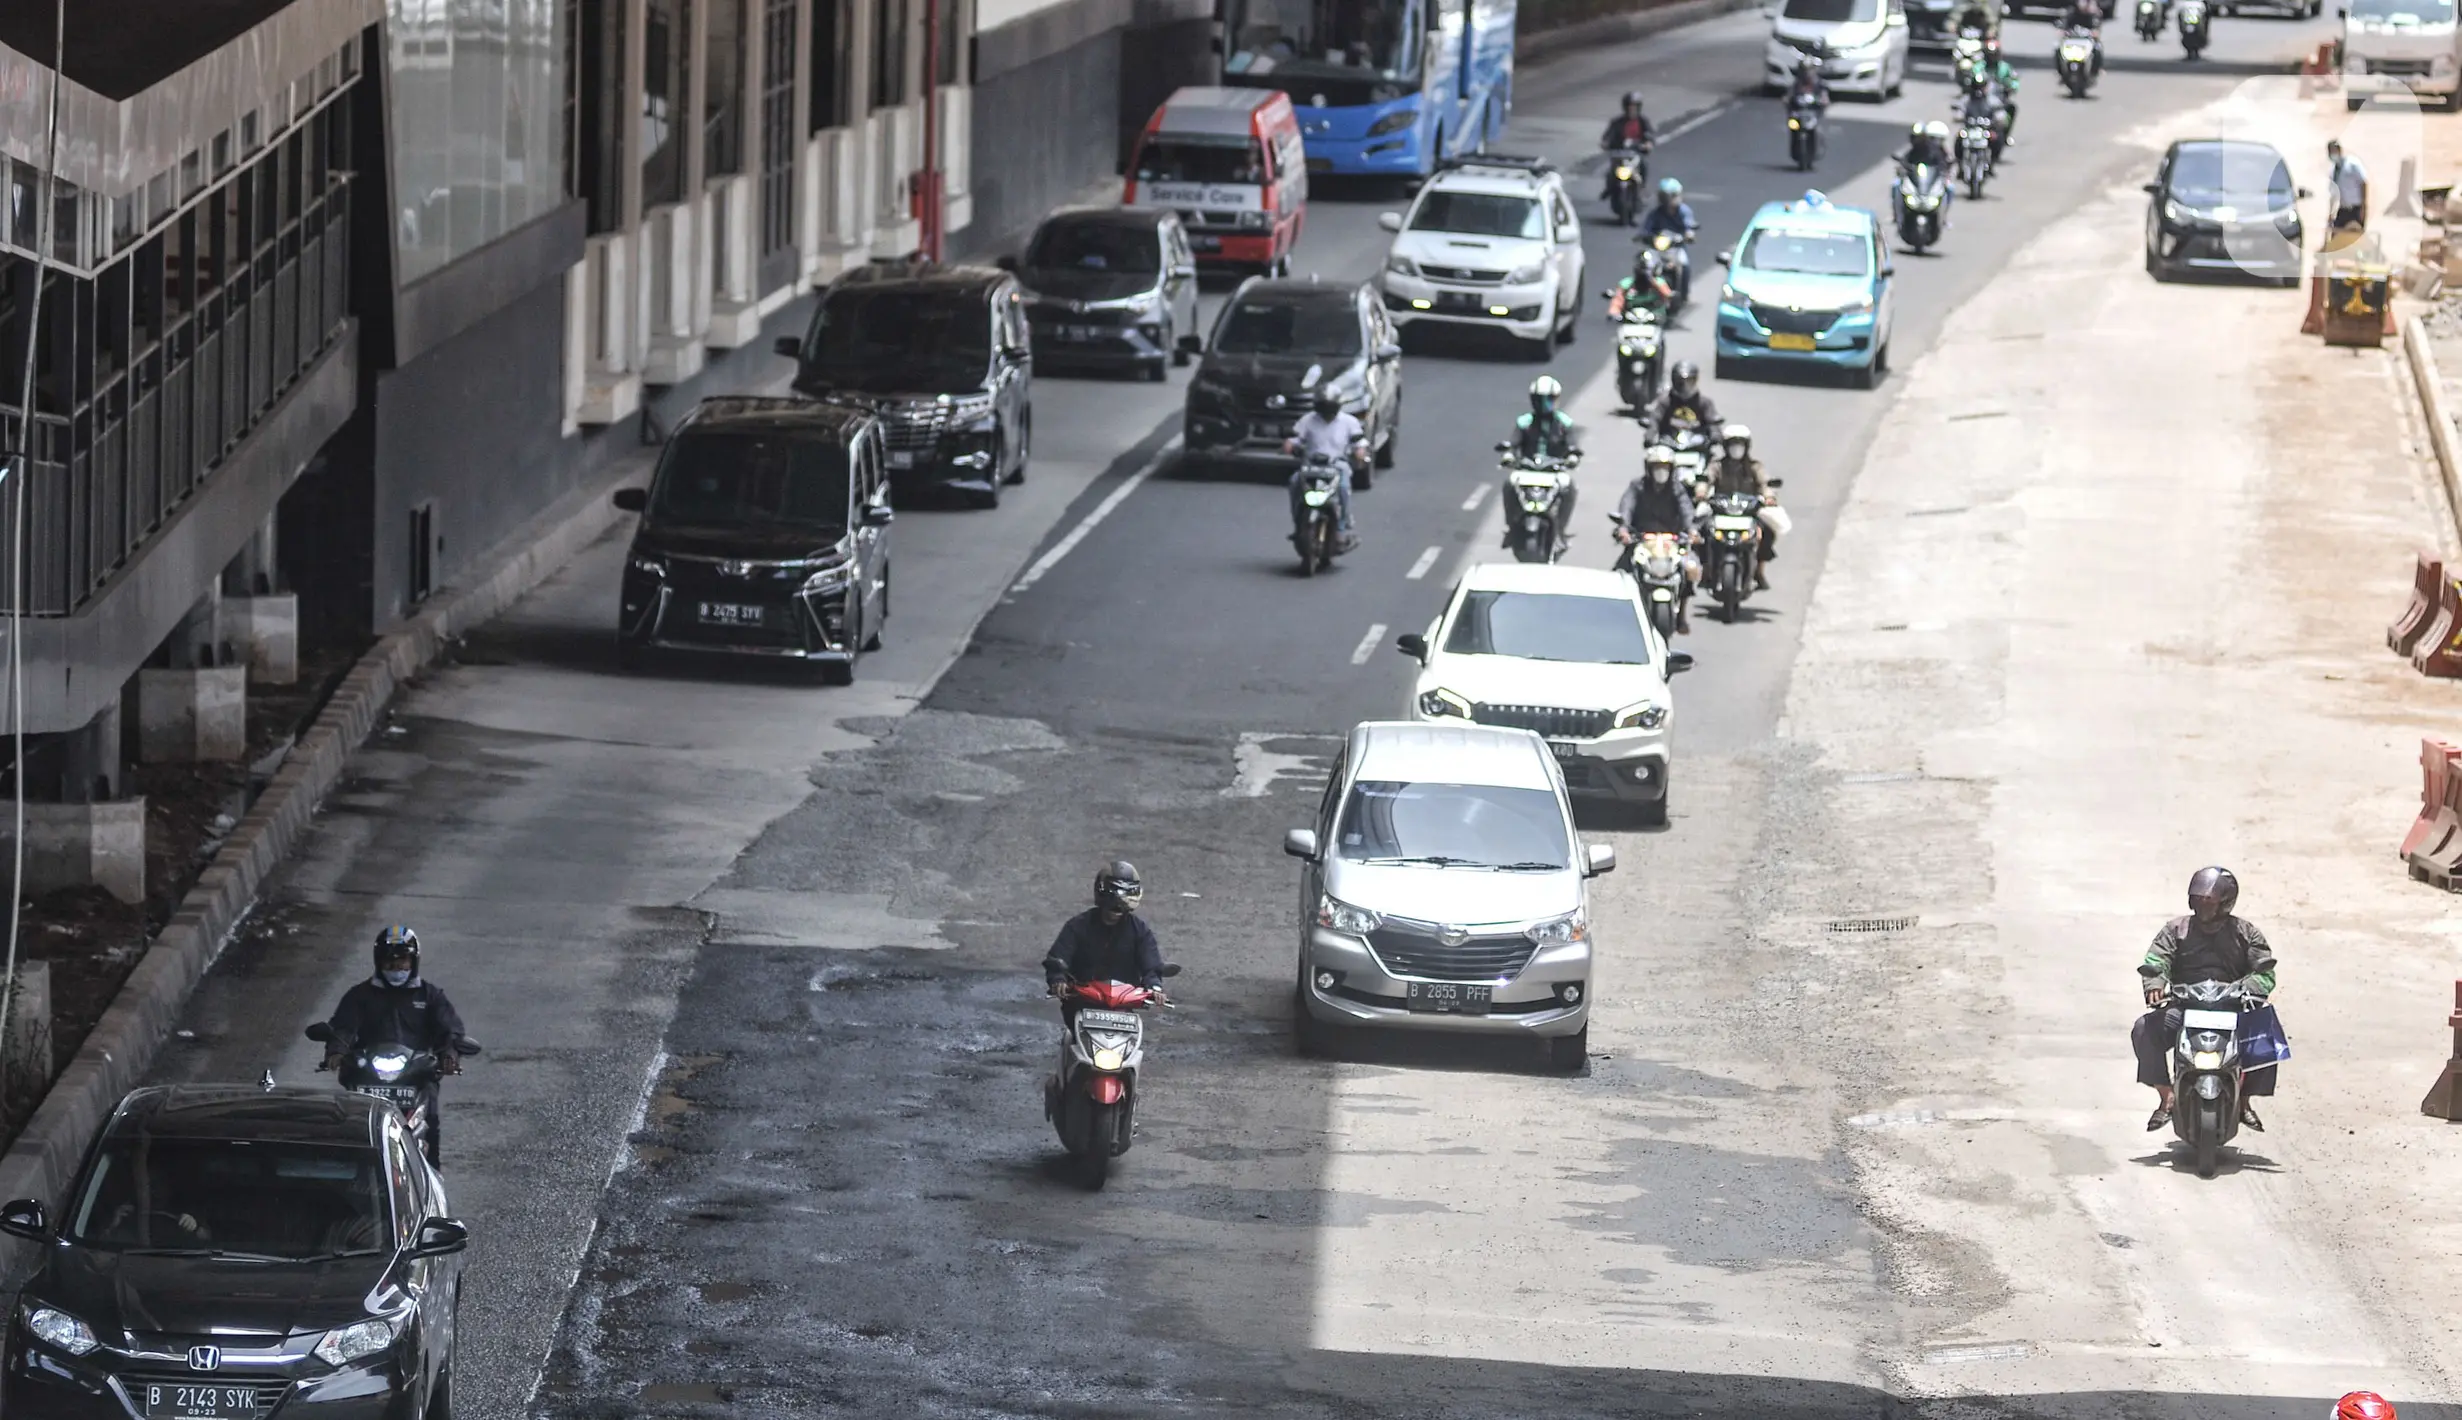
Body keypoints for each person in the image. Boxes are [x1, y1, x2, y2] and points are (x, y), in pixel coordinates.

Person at [2132, 866, 2278, 1133]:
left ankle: (2244, 1102)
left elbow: (2265, 971)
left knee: (2265, 1031)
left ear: (2225, 901)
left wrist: (2253, 988)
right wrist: (2155, 983)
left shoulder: (2246, 932)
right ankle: (2166, 1097)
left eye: (2208, 900)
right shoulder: (2175, 929)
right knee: (2144, 1028)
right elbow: (2156, 960)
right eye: (2198, 899)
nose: (2202, 905)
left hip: (2233, 1006)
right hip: (2185, 1006)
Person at [321, 927, 470, 1162]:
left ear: (414, 962)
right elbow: (343, 1027)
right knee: (346, 1123)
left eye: (402, 963)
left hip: (416, 1074)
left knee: (430, 1122)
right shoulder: (360, 995)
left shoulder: (430, 996)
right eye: (390, 963)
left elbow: (449, 1029)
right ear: (378, 963)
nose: (396, 969)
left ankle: (432, 1173)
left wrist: (450, 1053)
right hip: (367, 1073)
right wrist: (337, 1050)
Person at [1042, 862, 1165, 997]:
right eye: (1113, 896)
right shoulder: (1077, 926)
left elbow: (1151, 965)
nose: (1117, 906)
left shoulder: (1140, 931)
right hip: (1080, 998)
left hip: (1125, 1001)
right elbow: (1058, 958)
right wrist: (1058, 980)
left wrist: (1155, 987)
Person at [1614, 447, 1699, 631]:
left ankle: (1682, 614)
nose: (1661, 472)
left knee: (1690, 569)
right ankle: (1621, 615)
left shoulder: (1677, 489)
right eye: (1657, 467)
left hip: (1673, 541)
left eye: (1665, 467)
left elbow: (1686, 509)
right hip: (1641, 541)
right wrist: (1623, 529)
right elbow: (1627, 506)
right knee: (1619, 574)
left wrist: (1692, 529)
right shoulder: (1637, 486)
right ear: (1648, 468)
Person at [1283, 388, 1365, 545]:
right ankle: (1299, 524)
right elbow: (1294, 439)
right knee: (1294, 482)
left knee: (1342, 488)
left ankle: (1342, 525)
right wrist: (1289, 445)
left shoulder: (1349, 422)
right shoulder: (1308, 420)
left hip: (1337, 466)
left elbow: (1359, 442)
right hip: (1311, 465)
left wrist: (1360, 451)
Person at [1510, 376, 1580, 552]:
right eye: (1540, 399)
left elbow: (1573, 445)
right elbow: (1513, 444)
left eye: (1548, 399)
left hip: (1554, 470)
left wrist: (1572, 456)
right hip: (1527, 468)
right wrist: (1509, 455)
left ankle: (1561, 530)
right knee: (1509, 484)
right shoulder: (1524, 421)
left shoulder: (1565, 423)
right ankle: (1512, 524)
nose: (1544, 404)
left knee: (1569, 487)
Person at [1709, 423, 1777, 589]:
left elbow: (1764, 482)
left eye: (1740, 444)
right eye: (1733, 444)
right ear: (1725, 446)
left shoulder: (1755, 466)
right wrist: (1701, 493)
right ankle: (1707, 569)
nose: (1736, 449)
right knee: (1702, 530)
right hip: (1721, 511)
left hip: (1748, 512)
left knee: (1767, 532)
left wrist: (1768, 496)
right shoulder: (1717, 466)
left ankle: (1759, 571)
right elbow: (1706, 479)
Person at [1639, 178, 1700, 303]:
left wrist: (1689, 234)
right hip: (1657, 246)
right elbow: (1647, 228)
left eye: (1670, 196)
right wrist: (1644, 236)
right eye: (1664, 196)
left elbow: (1689, 226)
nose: (1667, 200)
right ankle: (1643, 290)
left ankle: (1683, 293)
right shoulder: (1656, 213)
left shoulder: (1684, 211)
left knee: (1684, 264)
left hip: (1676, 246)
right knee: (1645, 263)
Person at [1600, 91, 1655, 201]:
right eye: (1629, 107)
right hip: (1619, 153)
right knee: (1611, 171)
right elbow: (1608, 135)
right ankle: (1609, 188)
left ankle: (1641, 188)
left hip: (1635, 153)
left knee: (1644, 165)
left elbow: (1649, 135)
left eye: (1634, 107)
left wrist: (1647, 144)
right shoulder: (1617, 122)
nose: (1632, 109)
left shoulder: (1643, 121)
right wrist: (1605, 143)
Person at [1650, 359, 1722, 442]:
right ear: (1673, 380)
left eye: (1689, 381)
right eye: (1680, 382)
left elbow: (1712, 421)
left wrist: (1715, 433)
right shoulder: (1665, 402)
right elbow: (1655, 419)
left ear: (1695, 380)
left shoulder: (1705, 403)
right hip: (1668, 443)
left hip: (1697, 445)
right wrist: (1650, 434)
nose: (1684, 386)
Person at [2327, 139, 2369, 233]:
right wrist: (2330, 213)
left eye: (2334, 151)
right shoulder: (2333, 172)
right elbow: (2333, 194)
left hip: (2355, 209)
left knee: (2353, 238)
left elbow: (2363, 182)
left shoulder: (2352, 164)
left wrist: (2364, 206)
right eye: (2331, 152)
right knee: (2336, 237)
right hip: (2342, 209)